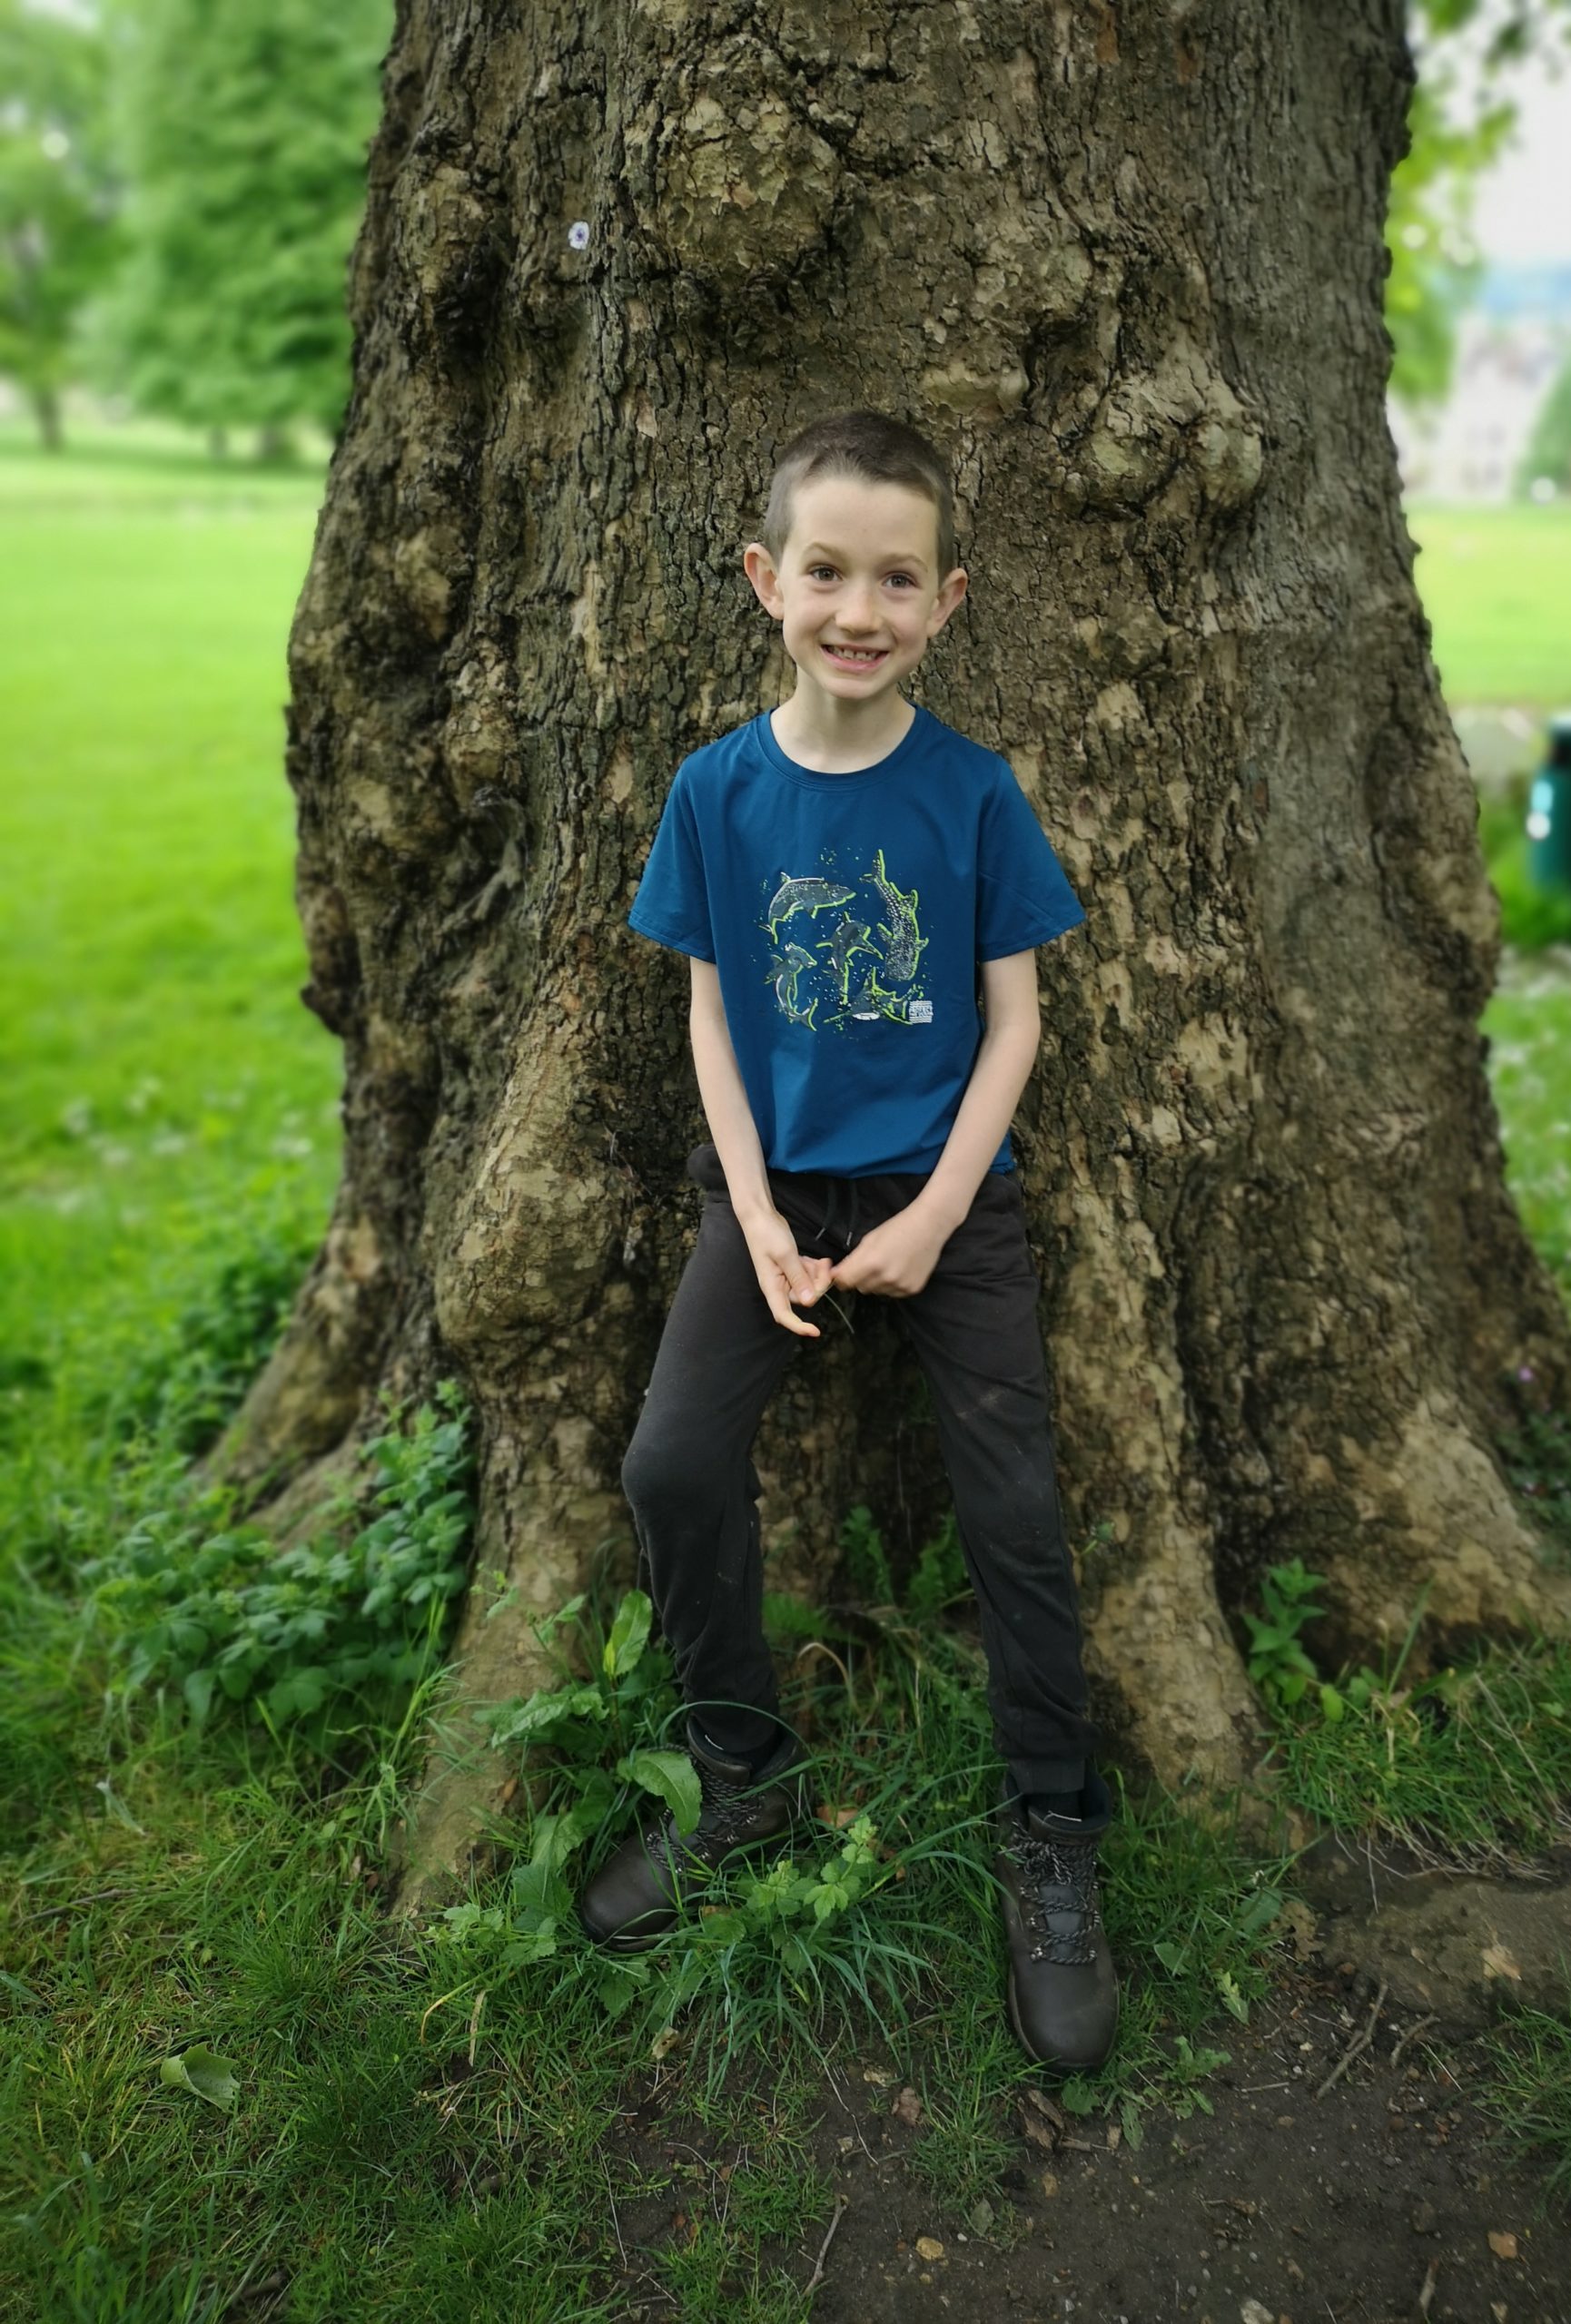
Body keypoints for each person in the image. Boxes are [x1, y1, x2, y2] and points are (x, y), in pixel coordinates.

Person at [582, 409, 1116, 2073]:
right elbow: (712, 1011)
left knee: (1015, 1506)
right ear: (768, 579)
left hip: (951, 1199)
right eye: (828, 572)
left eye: (898, 578)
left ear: (948, 598)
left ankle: (1051, 1830)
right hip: (775, 1194)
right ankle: (740, 1772)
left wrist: (941, 1212)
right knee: (670, 1467)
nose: (859, 610)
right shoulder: (718, 794)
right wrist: (749, 1213)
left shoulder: (967, 793)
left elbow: (1014, 1021)